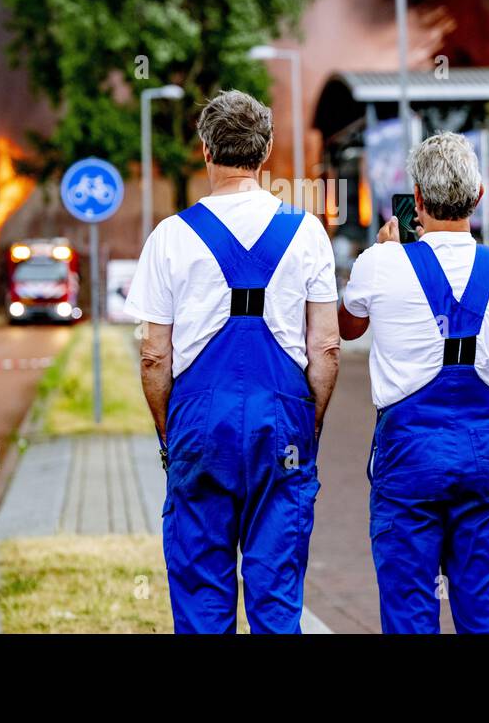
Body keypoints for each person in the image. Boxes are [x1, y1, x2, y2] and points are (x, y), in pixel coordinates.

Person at [126, 90, 340, 634]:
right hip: (284, 426)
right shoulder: (308, 232)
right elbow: (327, 349)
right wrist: (309, 422)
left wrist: (166, 430)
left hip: (199, 428)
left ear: (204, 151)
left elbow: (155, 355)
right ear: (265, 152)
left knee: (201, 591)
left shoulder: (170, 237)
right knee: (277, 592)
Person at [339, 132, 489, 633]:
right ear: (479, 197)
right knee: (485, 613)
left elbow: (347, 325)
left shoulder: (381, 263)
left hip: (408, 462)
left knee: (408, 612)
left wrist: (387, 255)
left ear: (417, 201)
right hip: (482, 457)